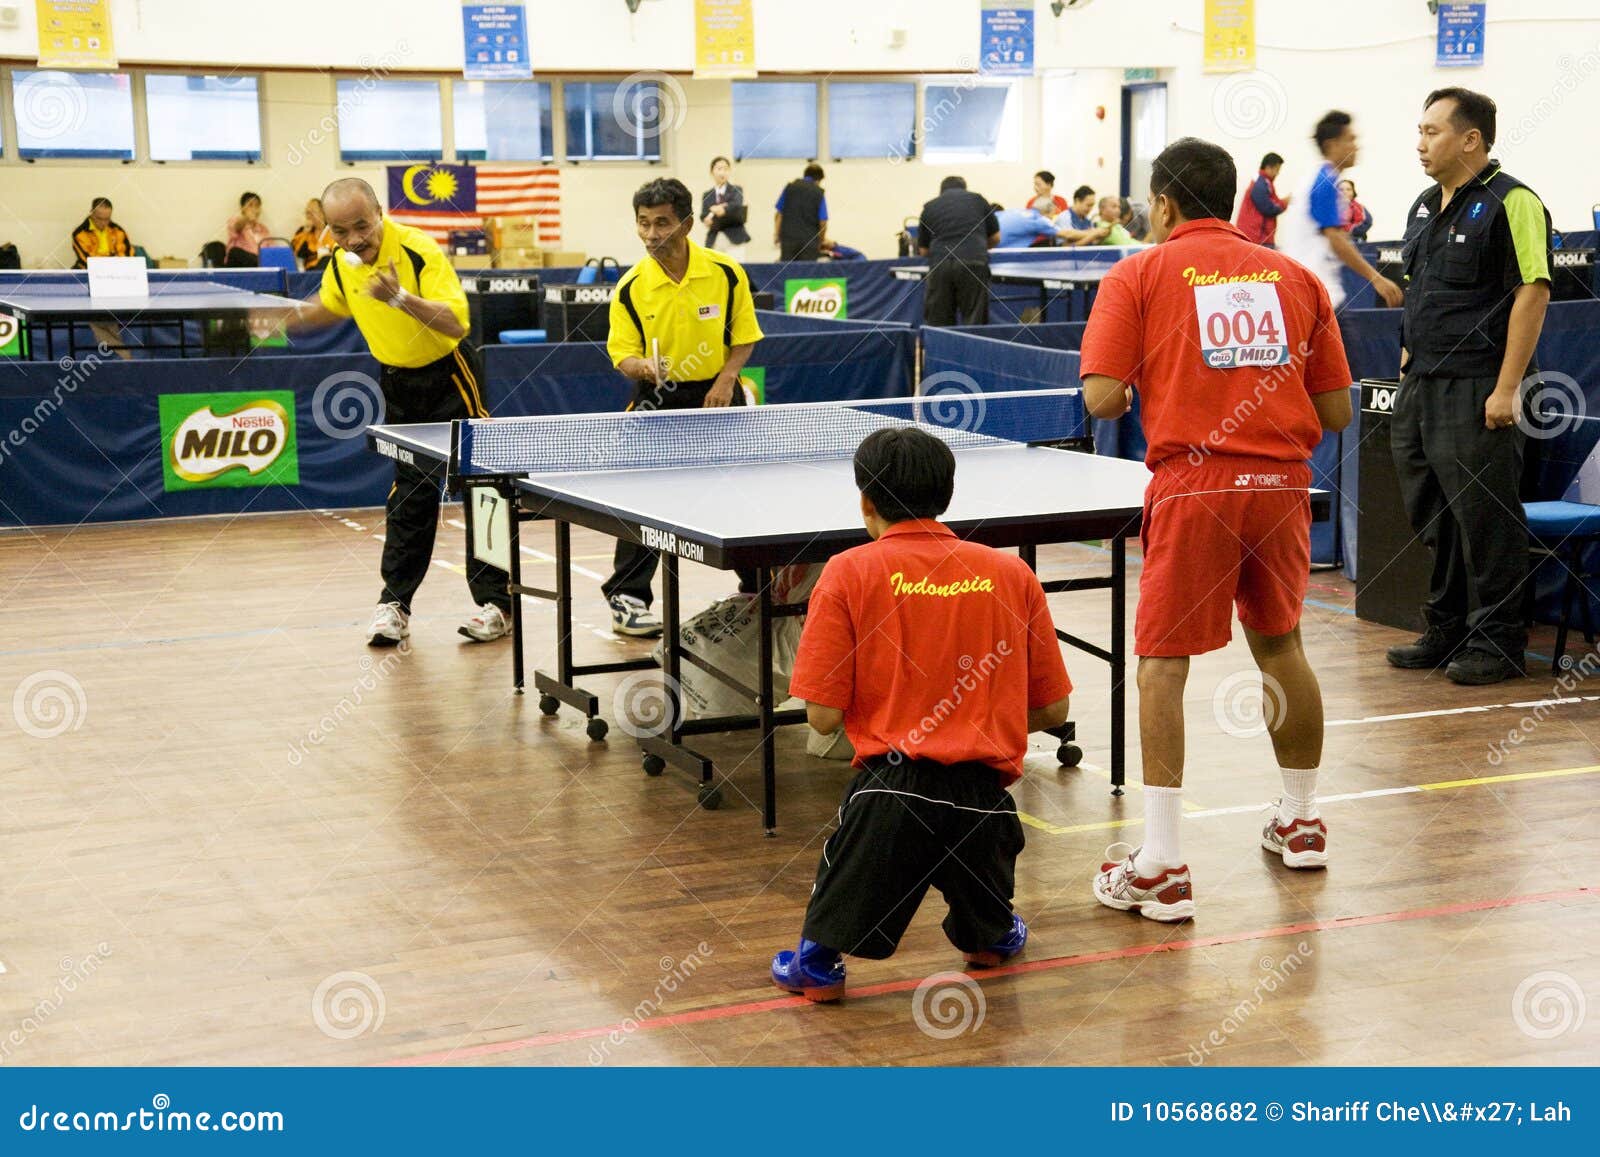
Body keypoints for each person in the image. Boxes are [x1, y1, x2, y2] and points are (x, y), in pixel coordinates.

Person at [1079, 137, 1354, 922]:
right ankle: (1301, 821)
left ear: (1163, 204)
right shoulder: (1296, 278)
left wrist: (1143, 384)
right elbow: (1336, 411)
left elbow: (1101, 397)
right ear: (1231, 198)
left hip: (1195, 486)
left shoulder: (1138, 272)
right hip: (1280, 486)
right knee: (1282, 645)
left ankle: (1162, 865)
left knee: (1162, 666)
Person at [770, 426, 1072, 1000]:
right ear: (948, 495)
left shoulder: (847, 571)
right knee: (991, 946)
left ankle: (818, 962)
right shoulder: (1013, 574)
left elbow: (823, 718)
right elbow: (1053, 709)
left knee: (818, 968)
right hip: (984, 803)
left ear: (866, 502)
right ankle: (990, 933)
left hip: (891, 797)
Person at [276, 178, 511, 647]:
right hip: (398, 382)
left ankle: (496, 604)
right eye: (340, 232)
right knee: (410, 494)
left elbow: (456, 322)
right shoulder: (342, 265)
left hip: (450, 374)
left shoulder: (419, 251)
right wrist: (285, 319)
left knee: (483, 487)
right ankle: (395, 605)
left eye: (361, 226)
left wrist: (401, 299)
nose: (354, 239)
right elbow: (332, 305)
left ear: (379, 212)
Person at [1386, 88, 1552, 686]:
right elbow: (1419, 291)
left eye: (1432, 131)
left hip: (1482, 385)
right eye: (1420, 129)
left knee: (1486, 518)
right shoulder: (1424, 206)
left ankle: (1500, 642)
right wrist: (1409, 356)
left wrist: (1508, 389)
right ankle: (1448, 626)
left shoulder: (1515, 203)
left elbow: (1533, 292)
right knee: (1436, 513)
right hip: (1423, 385)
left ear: (1471, 139)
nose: (1420, 142)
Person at [603, 178, 765, 637]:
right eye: (643, 223)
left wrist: (727, 378)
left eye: (662, 223)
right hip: (659, 395)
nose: (652, 234)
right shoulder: (632, 286)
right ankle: (628, 597)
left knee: (741, 491)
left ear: (688, 224)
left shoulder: (725, 272)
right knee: (645, 497)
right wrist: (644, 366)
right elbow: (621, 355)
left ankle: (754, 587)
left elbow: (744, 336)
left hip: (718, 393)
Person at [1277, 112, 1403, 310]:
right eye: (1350, 139)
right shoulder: (1325, 181)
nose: (1356, 146)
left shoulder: (1319, 177)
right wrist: (1376, 278)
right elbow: (1335, 238)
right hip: (1311, 289)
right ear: (1331, 145)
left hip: (1310, 286)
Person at [917, 176, 1000, 326]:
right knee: (975, 319)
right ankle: (974, 348)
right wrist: (976, 248)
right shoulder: (978, 200)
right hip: (973, 261)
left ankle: (941, 349)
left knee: (939, 321)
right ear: (964, 188)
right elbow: (995, 237)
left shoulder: (929, 207)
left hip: (940, 264)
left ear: (941, 191)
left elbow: (923, 250)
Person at [700, 156, 750, 262]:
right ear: (712, 172)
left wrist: (722, 209)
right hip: (715, 238)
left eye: (726, 169)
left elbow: (736, 205)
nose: (722, 172)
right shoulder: (707, 195)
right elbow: (704, 214)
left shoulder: (737, 190)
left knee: (737, 270)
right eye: (719, 169)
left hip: (735, 238)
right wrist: (706, 219)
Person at [774, 163, 828, 261]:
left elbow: (779, 214)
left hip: (788, 240)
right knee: (807, 274)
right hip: (810, 243)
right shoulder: (818, 193)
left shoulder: (789, 188)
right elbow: (823, 222)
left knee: (788, 272)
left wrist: (777, 235)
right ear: (818, 180)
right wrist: (820, 241)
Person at [1236, 152, 1291, 246]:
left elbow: (1273, 203)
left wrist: (1283, 202)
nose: (1278, 173)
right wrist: (1285, 202)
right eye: (1277, 169)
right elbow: (1268, 208)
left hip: (1258, 237)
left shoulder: (1265, 183)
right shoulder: (1260, 184)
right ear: (1269, 167)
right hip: (1256, 238)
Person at [70, 197, 133, 268]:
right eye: (99, 218)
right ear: (91, 213)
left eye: (107, 219)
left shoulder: (118, 231)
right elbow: (87, 259)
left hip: (116, 270)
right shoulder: (80, 233)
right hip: (90, 270)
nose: (103, 223)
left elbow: (126, 256)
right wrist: (111, 260)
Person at [225, 192, 271, 267]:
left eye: (257, 206)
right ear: (242, 209)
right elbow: (236, 227)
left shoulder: (263, 229)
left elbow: (270, 250)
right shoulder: (235, 221)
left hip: (258, 265)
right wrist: (246, 219)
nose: (254, 209)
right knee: (234, 251)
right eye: (250, 205)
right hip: (239, 265)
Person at [992, 203, 1059, 249]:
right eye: (1052, 215)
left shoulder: (1011, 212)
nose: (1052, 218)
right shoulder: (1039, 221)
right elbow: (1065, 234)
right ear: (1046, 213)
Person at [291, 198, 333, 270]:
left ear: (322, 213)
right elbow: (297, 253)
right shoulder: (303, 231)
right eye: (307, 212)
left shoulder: (332, 230)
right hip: (310, 271)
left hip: (328, 267)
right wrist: (306, 231)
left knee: (326, 260)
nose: (309, 216)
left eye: (312, 212)